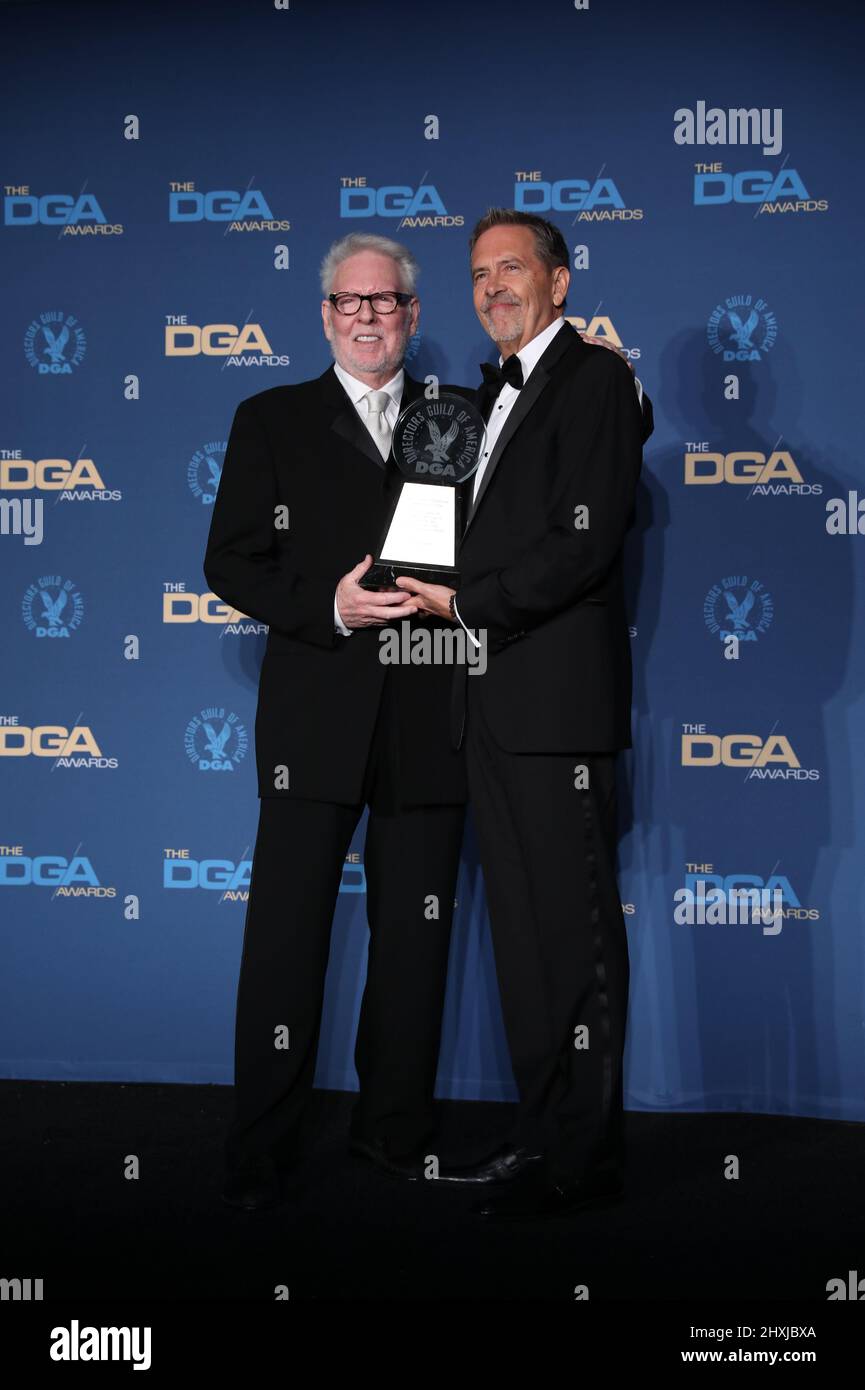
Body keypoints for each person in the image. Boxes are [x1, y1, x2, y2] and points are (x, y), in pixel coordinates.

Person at [204, 232, 473, 1211]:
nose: (368, 315)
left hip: (429, 700)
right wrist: (328, 606)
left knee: (414, 938)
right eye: (350, 301)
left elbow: (508, 527)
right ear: (324, 315)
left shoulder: (454, 421)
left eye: (387, 301)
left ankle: (393, 1133)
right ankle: (263, 1145)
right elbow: (230, 561)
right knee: (284, 936)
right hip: (315, 712)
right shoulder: (270, 418)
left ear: (411, 315)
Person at [396, 208, 654, 1220]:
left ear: (558, 282)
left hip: (556, 714)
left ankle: (581, 1161)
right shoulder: (481, 399)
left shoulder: (593, 380)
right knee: (523, 943)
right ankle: (543, 1138)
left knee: (573, 944)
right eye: (477, 273)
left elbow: (580, 546)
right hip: (487, 706)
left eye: (511, 268)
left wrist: (463, 604)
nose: (491, 286)